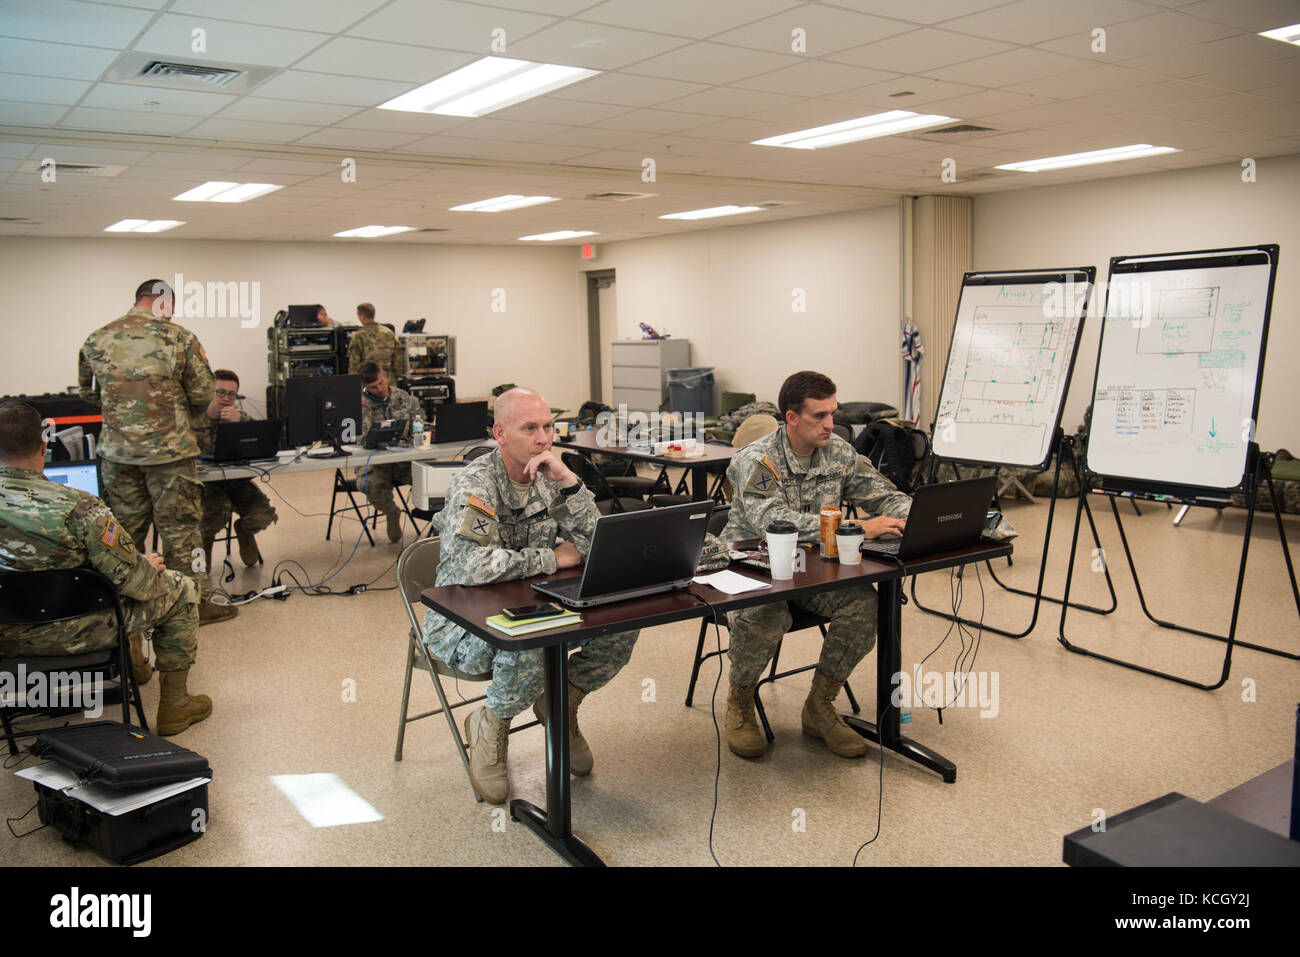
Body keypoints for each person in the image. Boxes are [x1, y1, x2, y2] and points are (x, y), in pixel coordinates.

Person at [422, 388, 638, 804]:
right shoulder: (476, 484)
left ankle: (560, 706)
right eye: (530, 428)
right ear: (500, 433)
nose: (543, 438)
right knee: (532, 645)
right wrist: (550, 559)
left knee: (622, 624)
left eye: (547, 427)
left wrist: (572, 485)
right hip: (462, 622)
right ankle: (492, 724)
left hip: (532, 605)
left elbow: (597, 546)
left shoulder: (550, 475)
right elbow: (472, 567)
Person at [719, 371, 911, 760]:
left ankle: (819, 707)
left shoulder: (837, 451)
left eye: (832, 414)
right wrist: (859, 528)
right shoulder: (756, 461)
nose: (830, 424)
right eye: (819, 416)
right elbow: (774, 522)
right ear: (791, 418)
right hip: (752, 571)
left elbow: (883, 495)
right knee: (768, 614)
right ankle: (739, 703)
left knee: (864, 606)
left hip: (814, 570)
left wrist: (916, 518)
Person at [0, 401, 212, 735]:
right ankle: (175, 704)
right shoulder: (82, 507)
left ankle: (137, 667)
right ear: (44, 445)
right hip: (76, 632)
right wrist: (146, 566)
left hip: (4, 635)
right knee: (181, 588)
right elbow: (136, 585)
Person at [78, 279, 235, 625]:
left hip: (118, 455)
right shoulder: (179, 338)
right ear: (165, 302)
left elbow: (89, 394)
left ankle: (127, 606)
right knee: (183, 533)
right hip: (170, 454)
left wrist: (124, 412)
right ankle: (194, 603)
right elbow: (202, 392)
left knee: (124, 532)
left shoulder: (97, 338)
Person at [195, 369, 278, 569]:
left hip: (236, 482)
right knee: (213, 517)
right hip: (205, 484)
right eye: (220, 392)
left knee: (263, 516)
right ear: (209, 392)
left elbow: (261, 443)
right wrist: (208, 417)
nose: (225, 398)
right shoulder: (192, 418)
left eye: (231, 394)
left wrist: (238, 424)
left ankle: (244, 531)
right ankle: (203, 544)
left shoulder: (240, 417)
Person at [356, 361, 423, 544]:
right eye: (373, 387)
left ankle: (437, 519)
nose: (379, 389)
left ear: (384, 375)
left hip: (404, 459)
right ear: (364, 386)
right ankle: (391, 512)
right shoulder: (359, 405)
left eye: (380, 383)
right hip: (375, 463)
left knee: (429, 474)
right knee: (369, 484)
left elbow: (419, 427)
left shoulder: (404, 398)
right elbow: (358, 439)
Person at [346, 302, 402, 379]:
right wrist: (397, 376)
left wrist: (354, 381)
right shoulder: (388, 333)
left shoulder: (358, 335)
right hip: (388, 380)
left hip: (369, 381)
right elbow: (397, 358)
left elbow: (354, 363)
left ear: (362, 316)